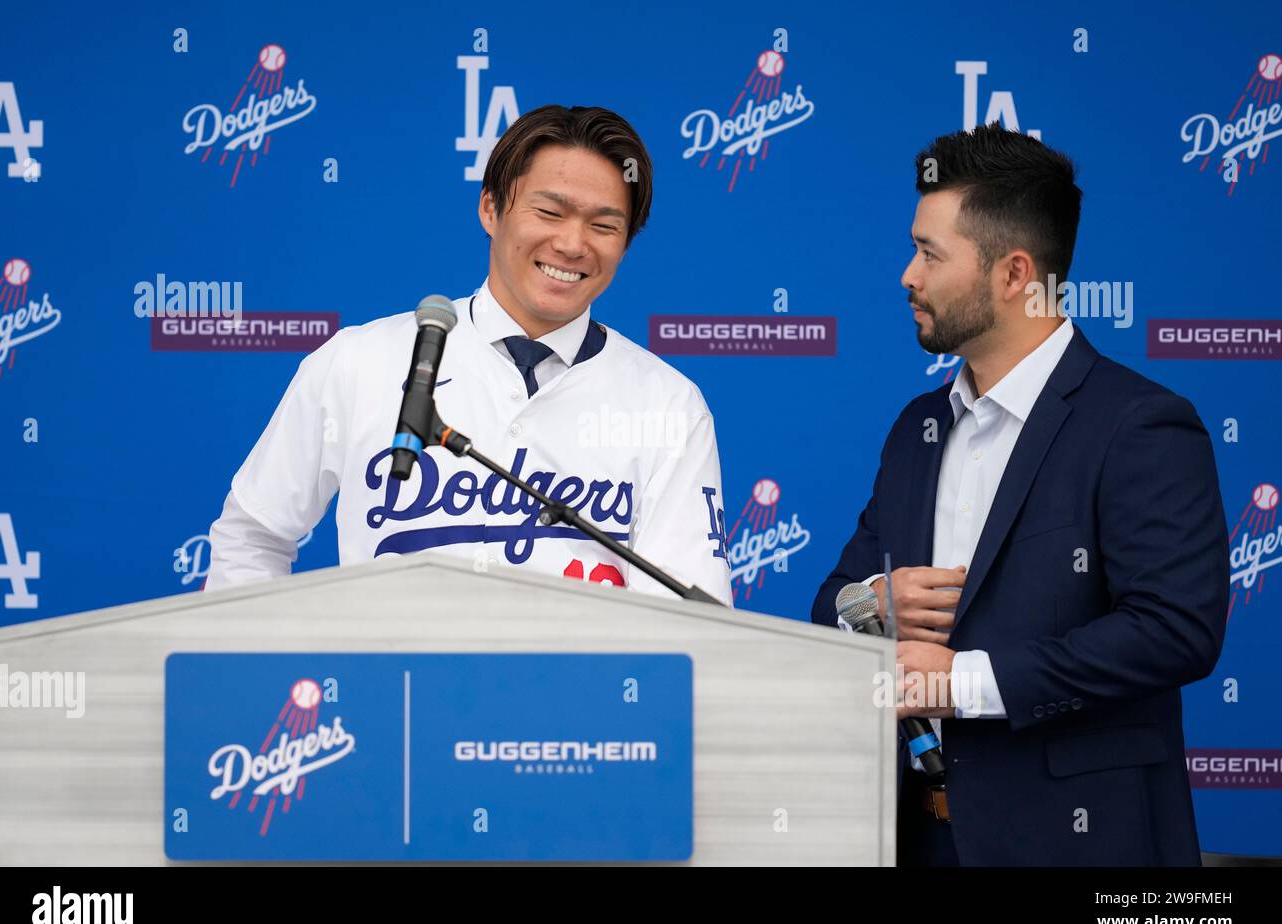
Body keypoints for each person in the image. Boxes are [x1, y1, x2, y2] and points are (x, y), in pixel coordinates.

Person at [811, 123, 1228, 866]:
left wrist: (963, 682)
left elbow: (1175, 630)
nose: (907, 275)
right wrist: (873, 602)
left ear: (1013, 275)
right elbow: (835, 600)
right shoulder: (917, 427)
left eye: (930, 254)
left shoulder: (1139, 424)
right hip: (914, 841)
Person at [205, 105, 732, 605]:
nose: (573, 243)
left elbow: (689, 617)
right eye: (549, 211)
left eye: (603, 225)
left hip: (580, 698)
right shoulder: (357, 363)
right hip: (386, 694)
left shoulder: (669, 406)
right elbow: (252, 538)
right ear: (490, 207)